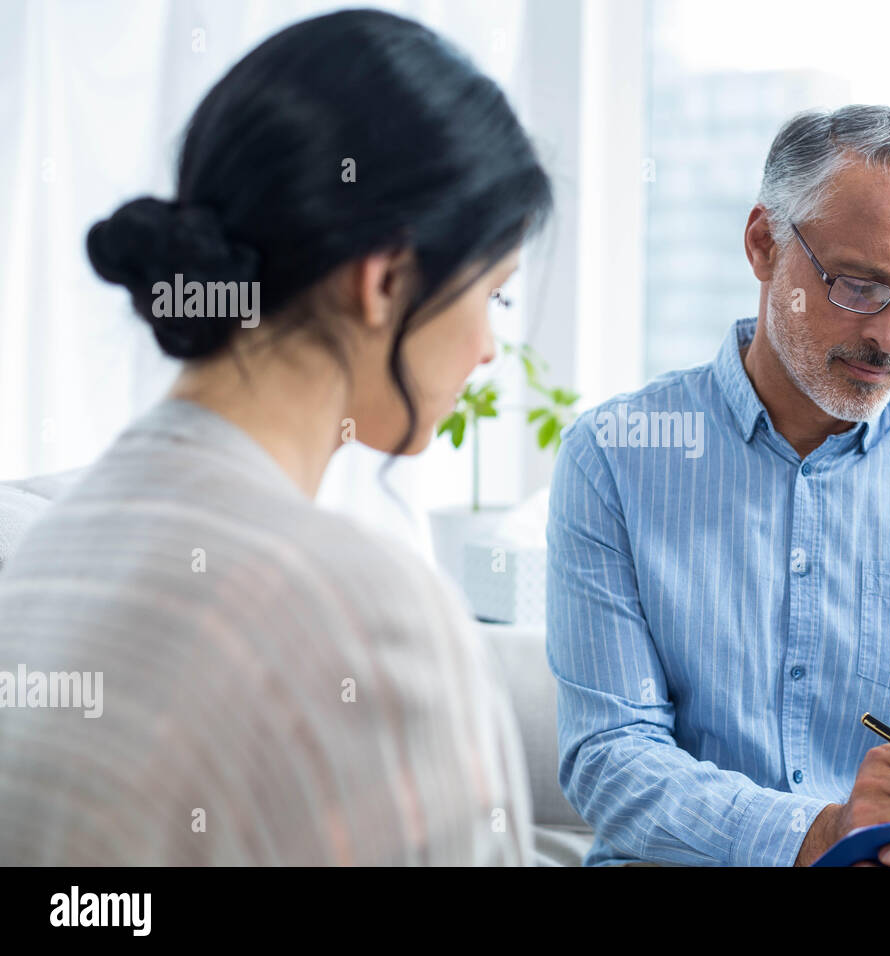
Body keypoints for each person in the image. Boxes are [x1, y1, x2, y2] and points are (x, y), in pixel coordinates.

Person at [0, 9, 551, 865]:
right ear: (387, 279)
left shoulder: (42, 558)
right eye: (495, 296)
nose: (487, 348)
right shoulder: (368, 613)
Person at [547, 105, 890, 867]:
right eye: (860, 286)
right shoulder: (612, 458)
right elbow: (611, 757)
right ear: (764, 245)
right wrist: (821, 835)